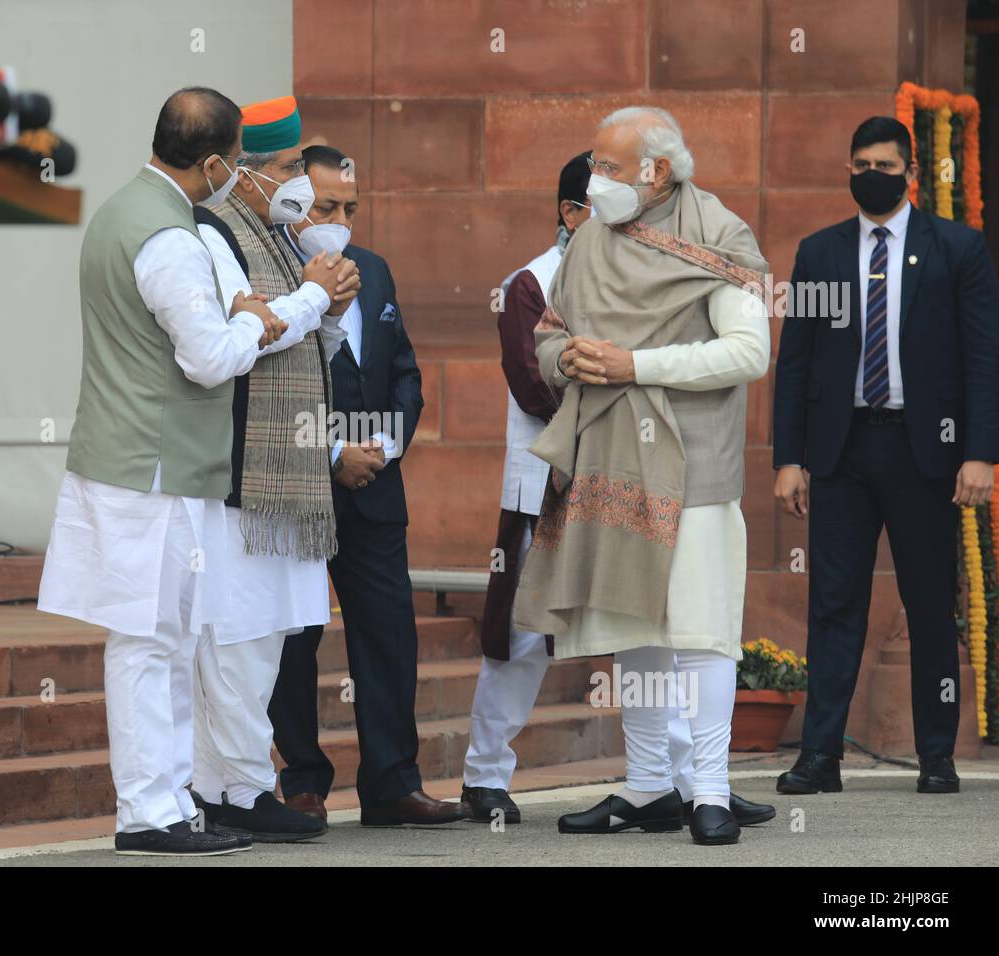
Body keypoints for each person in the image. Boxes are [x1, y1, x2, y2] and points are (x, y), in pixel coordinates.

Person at [36, 87, 285, 857]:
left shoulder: (120, 209)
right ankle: (151, 814)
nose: (236, 173)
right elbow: (209, 360)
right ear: (213, 161)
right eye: (236, 161)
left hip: (136, 462)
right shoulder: (171, 237)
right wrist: (254, 315)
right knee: (153, 644)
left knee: (158, 642)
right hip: (156, 468)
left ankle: (167, 803)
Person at [516, 106, 771, 846]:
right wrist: (565, 361)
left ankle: (712, 792)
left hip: (692, 462)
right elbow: (549, 335)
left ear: (657, 172)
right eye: (596, 165)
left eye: (610, 167)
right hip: (610, 455)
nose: (596, 180)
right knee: (634, 625)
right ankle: (651, 785)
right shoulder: (590, 241)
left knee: (700, 629)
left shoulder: (713, 233)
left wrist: (638, 365)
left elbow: (747, 353)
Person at [773, 115, 999, 796]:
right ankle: (821, 757)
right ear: (849, 170)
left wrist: (981, 453)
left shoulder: (957, 248)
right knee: (834, 603)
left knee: (929, 603)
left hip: (925, 451)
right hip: (841, 454)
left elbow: (983, 357)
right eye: (860, 163)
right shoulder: (820, 253)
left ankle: (936, 755)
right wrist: (791, 457)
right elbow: (796, 362)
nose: (871, 174)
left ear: (909, 173)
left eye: (884, 164)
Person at [268, 145, 465, 827]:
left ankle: (391, 782)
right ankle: (302, 780)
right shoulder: (267, 273)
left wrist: (379, 446)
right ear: (294, 205)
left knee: (388, 634)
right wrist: (329, 455)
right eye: (326, 208)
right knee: (294, 635)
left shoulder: (375, 270)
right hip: (298, 484)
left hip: (375, 489)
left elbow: (402, 371)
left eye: (350, 208)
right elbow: (257, 390)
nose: (341, 222)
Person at [186, 96, 360, 842]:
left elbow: (292, 331)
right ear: (248, 173)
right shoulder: (215, 232)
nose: (298, 179)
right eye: (289, 166)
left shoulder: (279, 234)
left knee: (270, 634)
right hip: (244, 465)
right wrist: (316, 294)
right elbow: (242, 334)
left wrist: (323, 306)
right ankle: (238, 788)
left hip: (289, 472)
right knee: (239, 636)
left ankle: (231, 784)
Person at [459, 151, 590, 824]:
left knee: (654, 628)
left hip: (623, 479)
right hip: (546, 484)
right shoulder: (531, 284)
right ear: (571, 212)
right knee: (520, 634)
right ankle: (485, 777)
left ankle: (685, 778)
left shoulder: (639, 279)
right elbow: (534, 383)